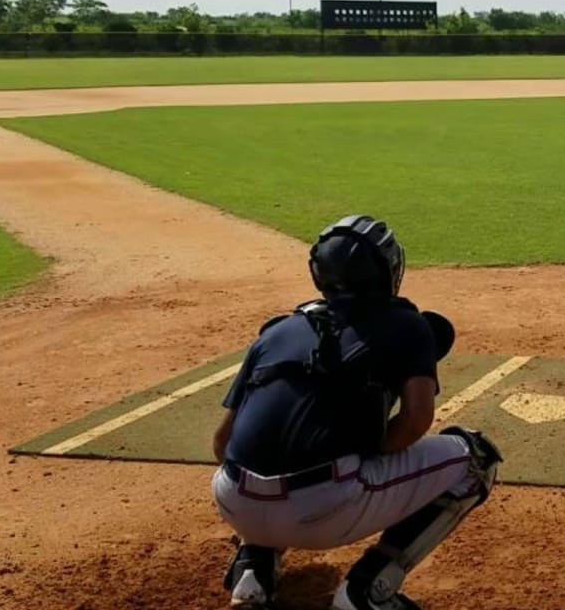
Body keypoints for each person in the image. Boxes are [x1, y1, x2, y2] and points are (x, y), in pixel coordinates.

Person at [210, 214, 502, 610]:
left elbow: (221, 444)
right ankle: (368, 589)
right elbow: (416, 420)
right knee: (476, 458)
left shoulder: (277, 330)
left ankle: (254, 566)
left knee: (271, 445)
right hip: (325, 508)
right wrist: (368, 447)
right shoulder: (407, 323)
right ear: (387, 271)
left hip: (234, 503)